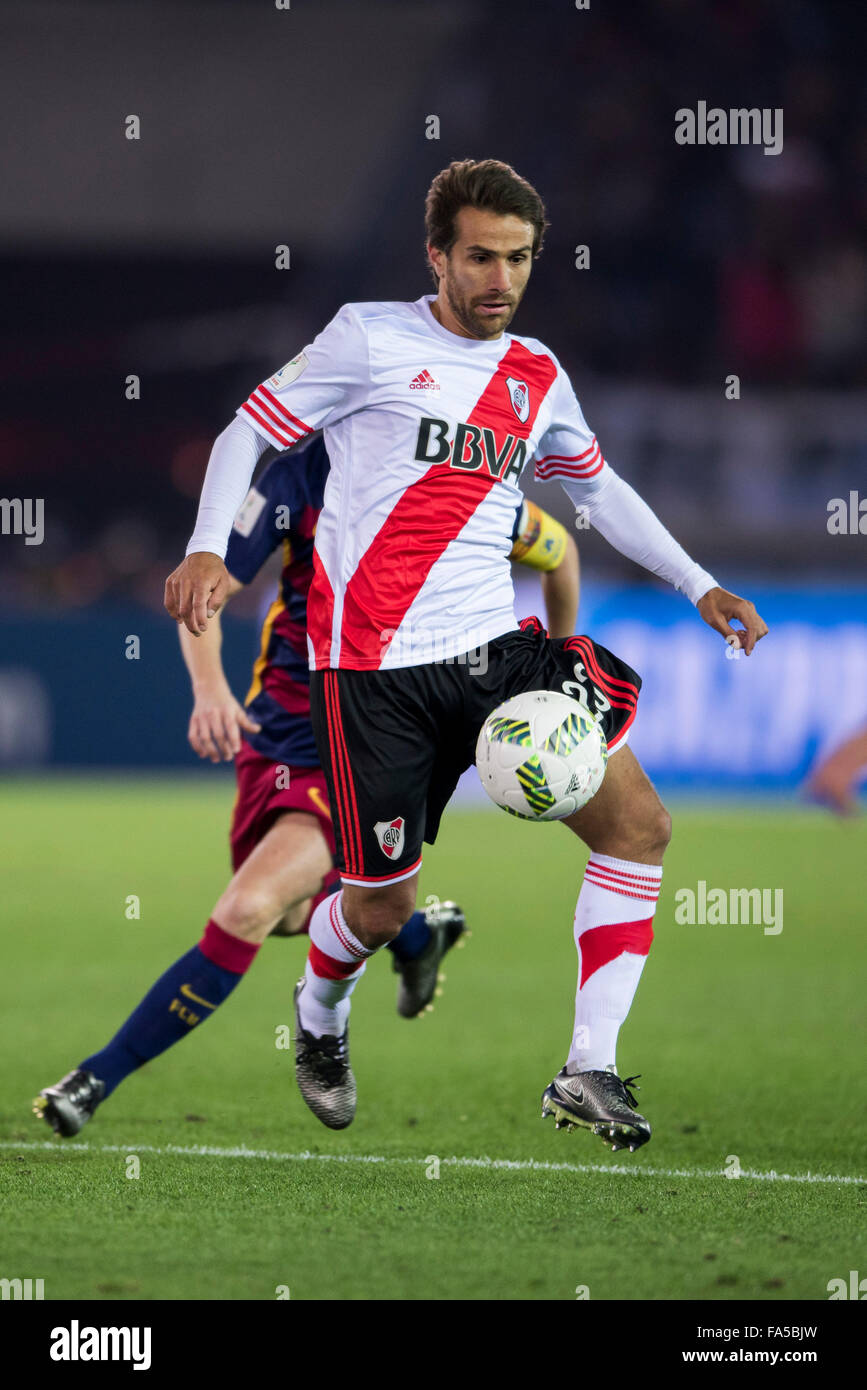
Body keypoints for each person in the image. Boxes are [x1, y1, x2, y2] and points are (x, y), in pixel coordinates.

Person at [165, 159, 768, 1151]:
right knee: (377, 904)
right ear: (437, 255)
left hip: (495, 655)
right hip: (374, 679)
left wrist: (697, 582)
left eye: (519, 259)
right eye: (481, 257)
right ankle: (319, 1019)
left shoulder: (536, 371)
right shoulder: (367, 339)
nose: (501, 279)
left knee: (642, 826)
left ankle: (589, 1067)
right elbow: (246, 430)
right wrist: (201, 543)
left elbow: (599, 493)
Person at [34, 433, 578, 1137]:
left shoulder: (456, 481)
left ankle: (92, 1080)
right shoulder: (297, 481)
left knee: (248, 907)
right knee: (296, 915)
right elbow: (207, 587)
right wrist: (208, 690)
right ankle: (414, 936)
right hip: (280, 731)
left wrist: (553, 675)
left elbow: (558, 553)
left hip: (376, 733)